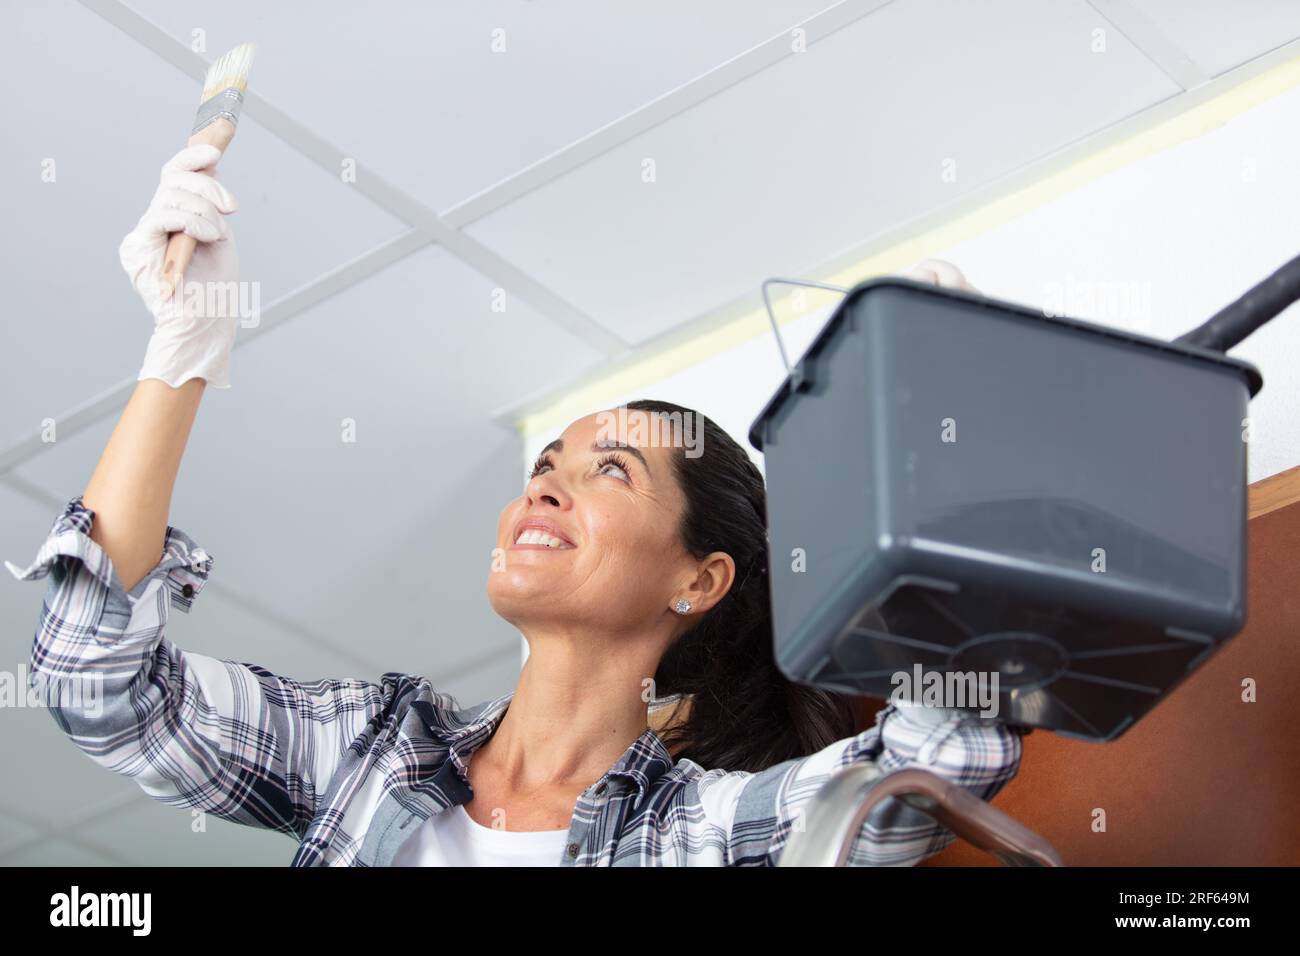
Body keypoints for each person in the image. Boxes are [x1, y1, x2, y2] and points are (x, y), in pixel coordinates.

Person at [10, 145, 1023, 866]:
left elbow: (941, 756)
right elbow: (97, 682)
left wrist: (936, 459)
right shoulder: (374, 749)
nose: (545, 484)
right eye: (547, 461)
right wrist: (180, 352)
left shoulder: (696, 832)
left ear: (699, 577)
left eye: (611, 470)